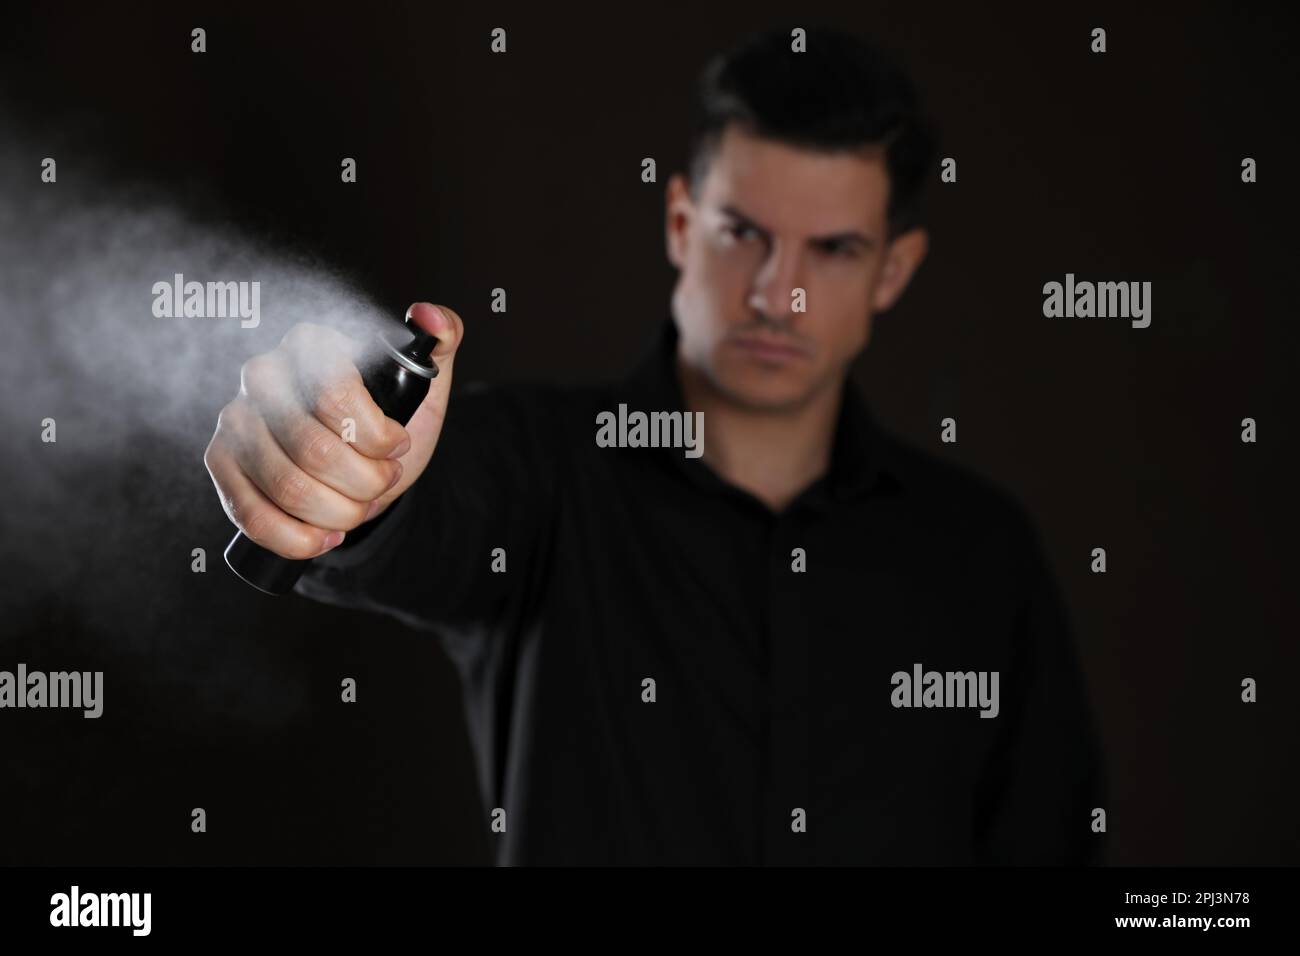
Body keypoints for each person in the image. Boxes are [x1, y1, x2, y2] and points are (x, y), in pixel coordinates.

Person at [204, 25, 1106, 865]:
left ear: (893, 270)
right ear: (681, 222)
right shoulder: (534, 471)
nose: (774, 293)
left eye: (832, 250)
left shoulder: (980, 555)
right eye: (741, 232)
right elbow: (420, 516)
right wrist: (346, 474)